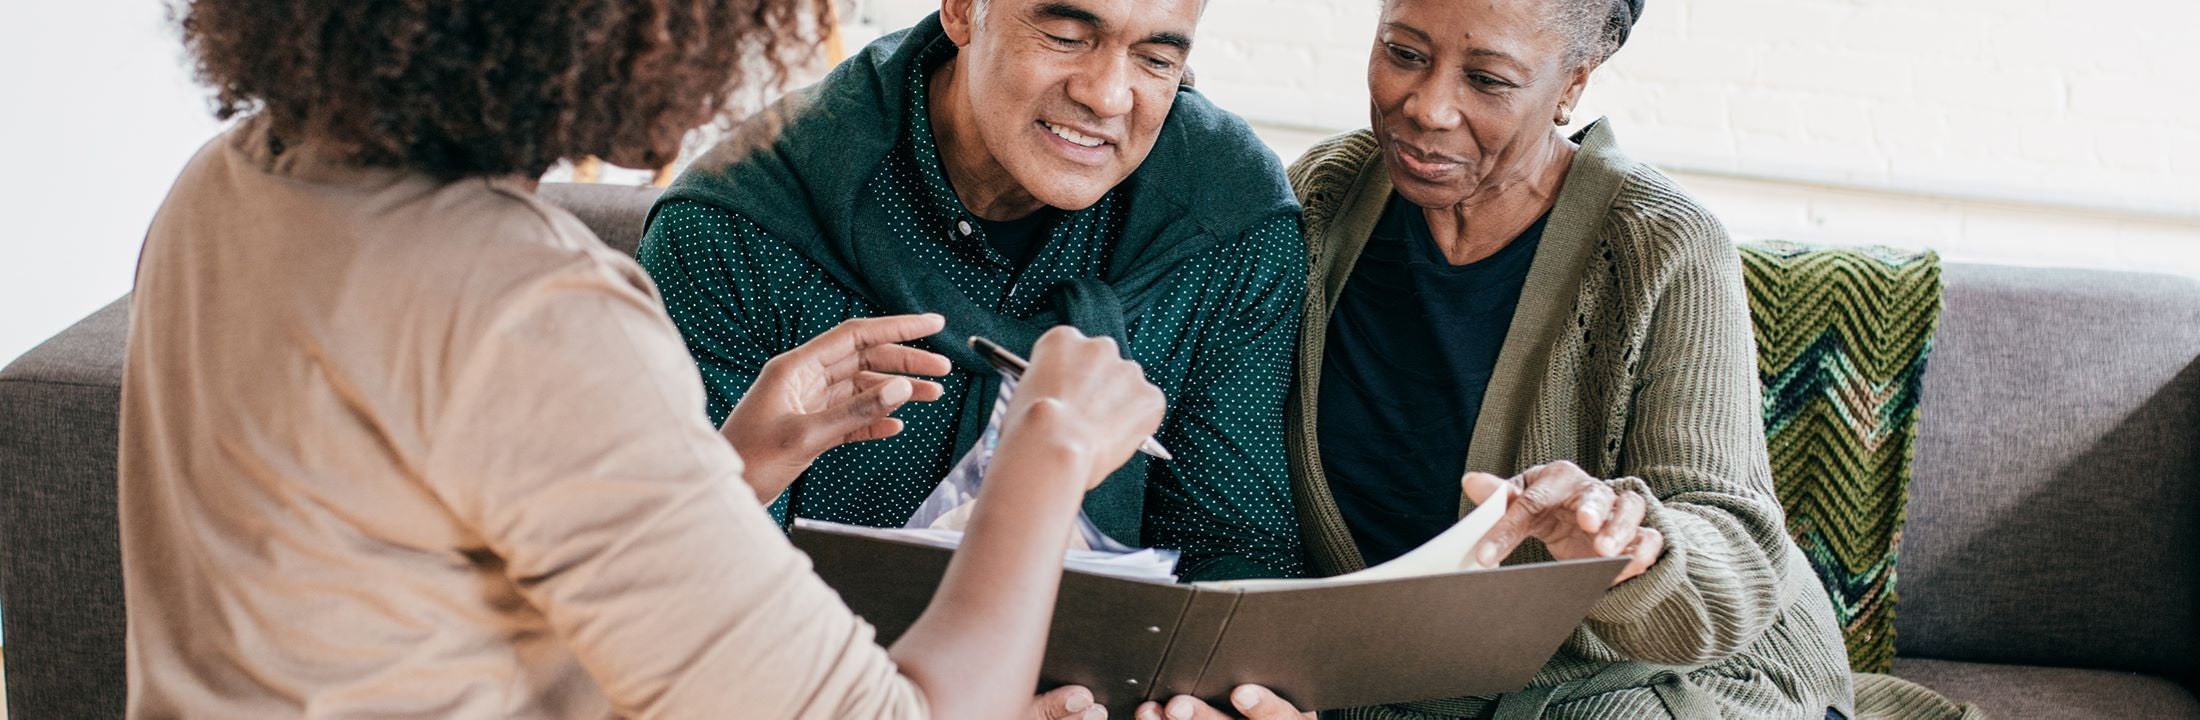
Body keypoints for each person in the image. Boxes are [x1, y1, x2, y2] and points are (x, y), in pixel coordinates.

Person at [119, 1, 1165, 718]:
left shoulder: (235, 179)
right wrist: (1048, 445)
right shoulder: (531, 309)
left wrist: (729, 468)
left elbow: (421, 585)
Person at [1155, 0, 1868, 718]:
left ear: (1572, 85)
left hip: (1640, 680)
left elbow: (1737, 558)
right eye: (1404, 53)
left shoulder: (1663, 245)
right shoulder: (1324, 194)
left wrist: (1626, 544)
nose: (1427, 107)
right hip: (1386, 680)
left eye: (1488, 80)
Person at [636, 0, 1309, 585]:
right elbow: (702, 582)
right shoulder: (737, 223)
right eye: (1067, 37)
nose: (1108, 96)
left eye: (1156, 59)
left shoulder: (1231, 218)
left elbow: (1237, 547)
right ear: (961, 10)